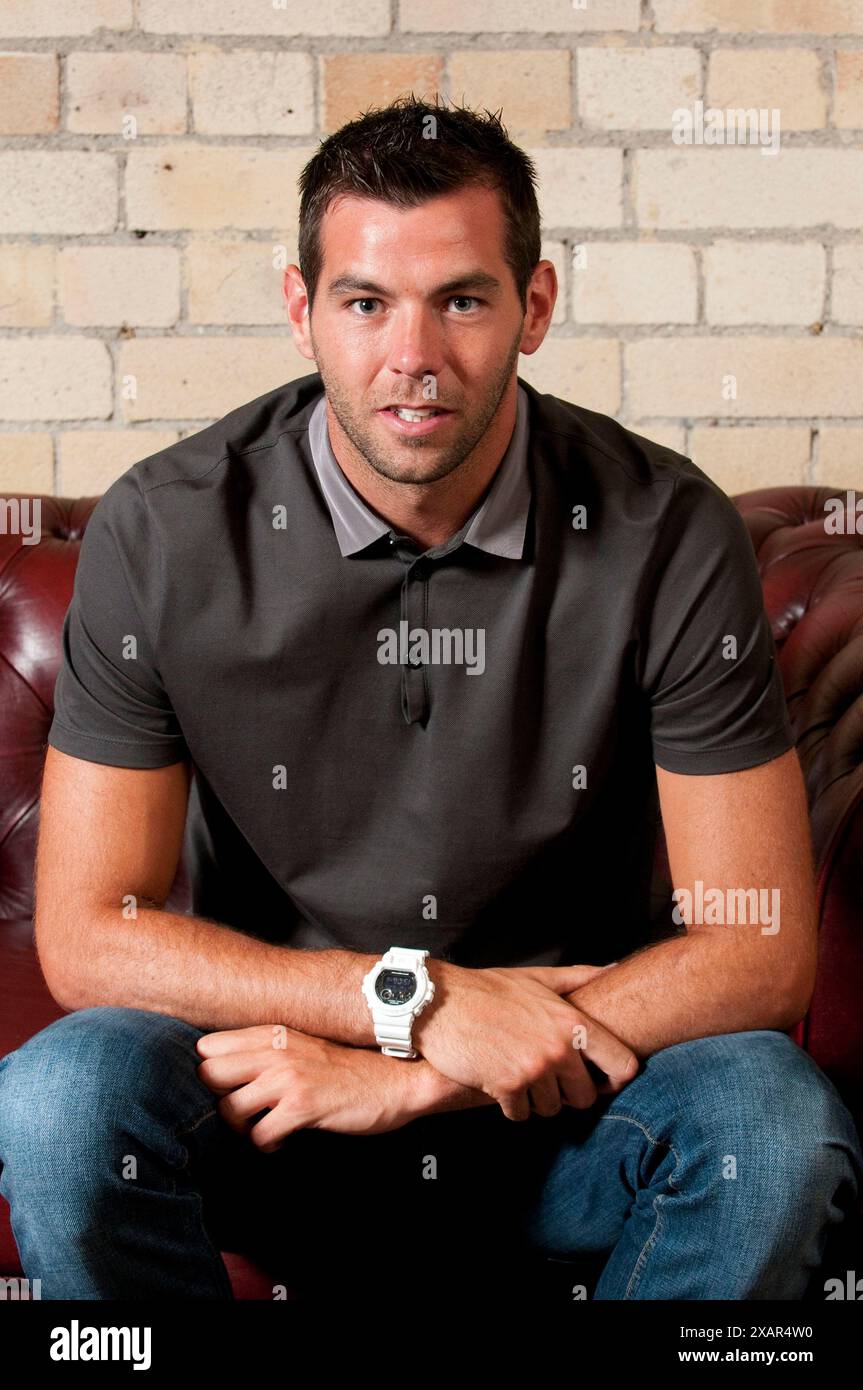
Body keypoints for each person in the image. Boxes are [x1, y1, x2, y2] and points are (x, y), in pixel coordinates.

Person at [0, 95, 859, 1303]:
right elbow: (89, 935)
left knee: (767, 1125)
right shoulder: (168, 527)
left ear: (535, 307)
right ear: (302, 312)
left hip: (564, 1096)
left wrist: (420, 1066)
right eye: (364, 302)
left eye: (460, 299)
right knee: (56, 1099)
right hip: (275, 1100)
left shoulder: (660, 527)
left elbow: (761, 946)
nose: (412, 355)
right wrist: (404, 1003)